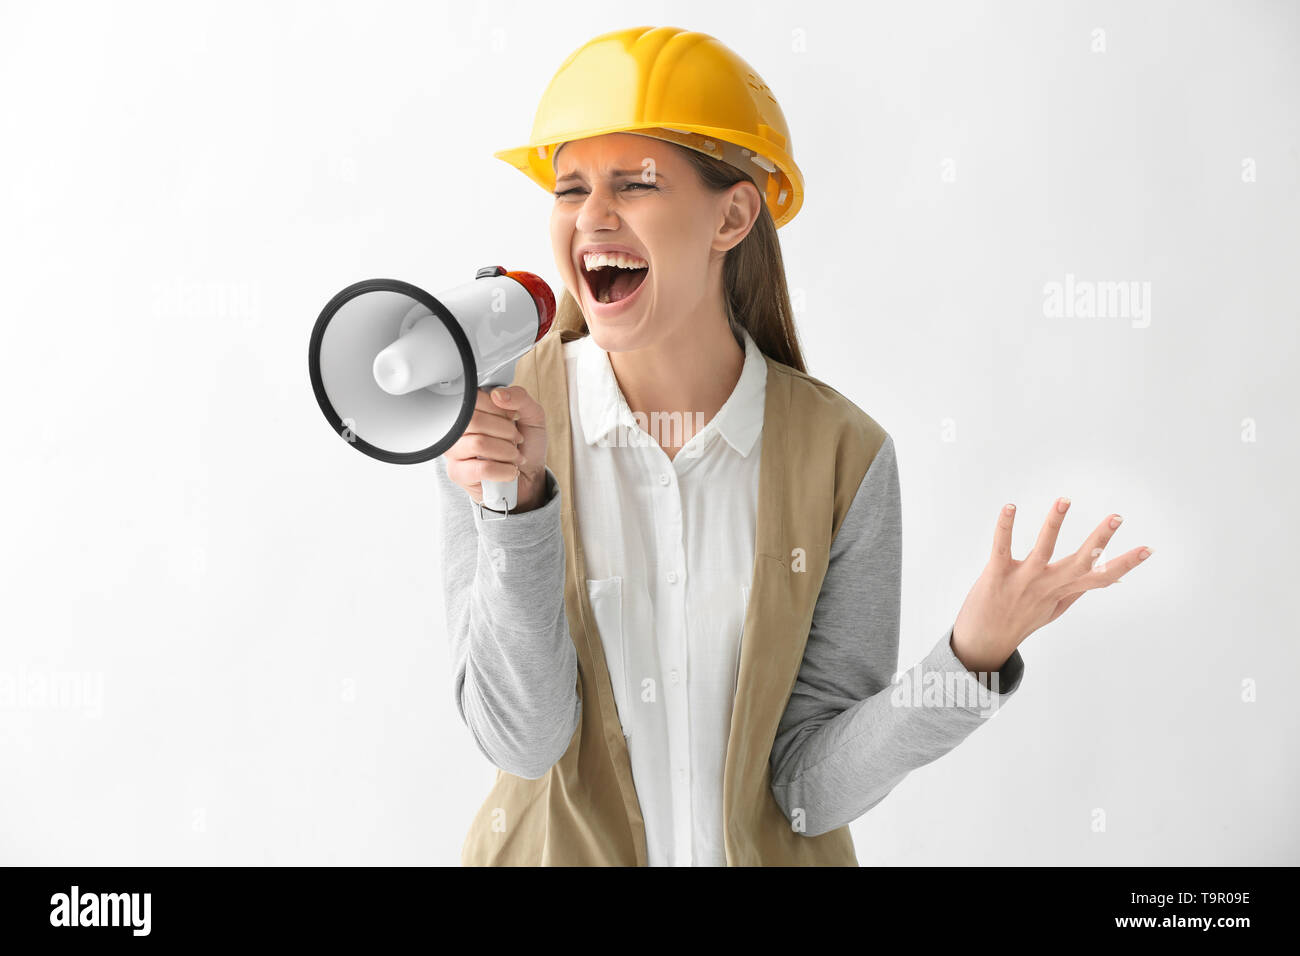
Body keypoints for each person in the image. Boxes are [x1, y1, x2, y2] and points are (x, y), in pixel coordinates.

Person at [433, 25, 1153, 866]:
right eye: (570, 188)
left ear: (733, 214)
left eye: (635, 184)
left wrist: (968, 656)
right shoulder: (497, 421)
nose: (593, 216)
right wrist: (515, 510)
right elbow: (523, 745)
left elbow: (809, 790)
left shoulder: (843, 456)